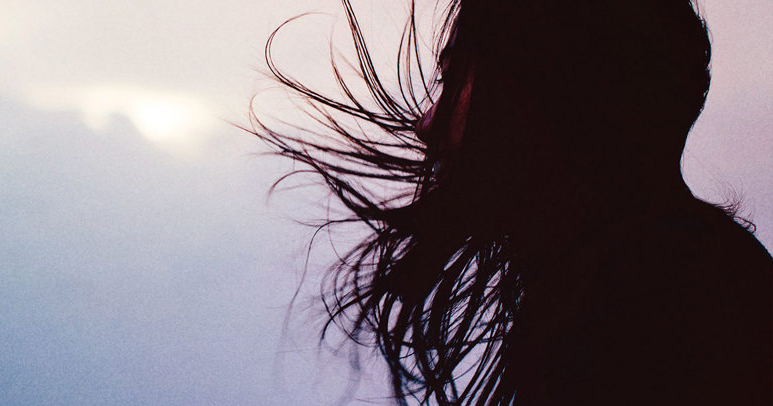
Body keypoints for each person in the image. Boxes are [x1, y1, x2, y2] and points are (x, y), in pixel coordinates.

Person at [250, 0, 773, 404]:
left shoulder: (644, 306)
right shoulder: (691, 276)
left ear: (543, 94)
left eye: (456, 79)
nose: (427, 123)